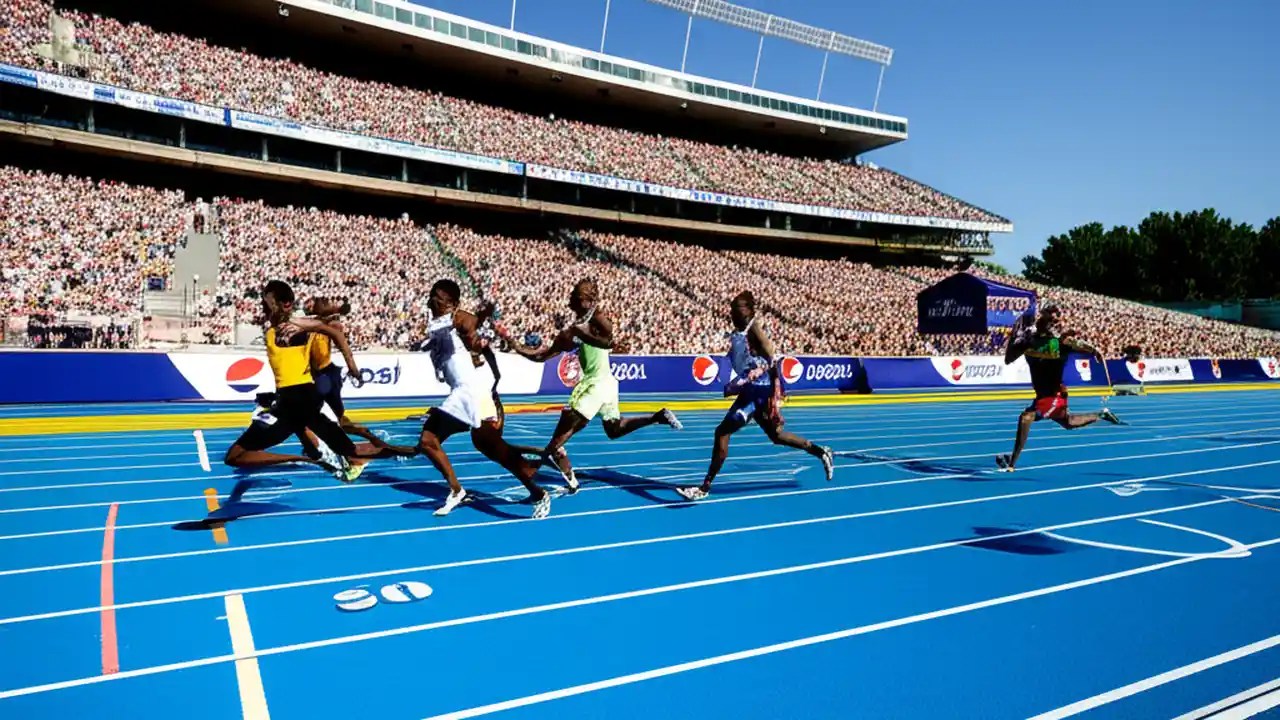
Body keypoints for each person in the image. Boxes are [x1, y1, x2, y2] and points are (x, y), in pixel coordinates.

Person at [499, 278, 682, 492]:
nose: (570, 301)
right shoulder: (572, 332)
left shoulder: (596, 321)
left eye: (575, 298)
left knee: (558, 439)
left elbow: (607, 334)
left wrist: (586, 327)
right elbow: (542, 356)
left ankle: (533, 470)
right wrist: (515, 346)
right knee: (614, 429)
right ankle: (657, 417)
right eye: (574, 297)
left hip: (593, 385)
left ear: (586, 301)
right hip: (608, 384)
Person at [222, 281, 399, 480]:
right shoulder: (297, 323)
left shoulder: (308, 324)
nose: (314, 303)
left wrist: (352, 365)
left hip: (323, 378)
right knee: (307, 423)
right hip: (310, 382)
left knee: (337, 423)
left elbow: (331, 328)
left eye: (319, 302)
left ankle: (360, 454)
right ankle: (319, 453)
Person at [676, 291, 833, 500]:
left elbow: (772, 356)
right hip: (752, 390)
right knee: (776, 436)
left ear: (748, 311)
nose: (732, 313)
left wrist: (769, 388)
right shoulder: (739, 331)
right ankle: (821, 451)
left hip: (757, 393)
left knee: (722, 432)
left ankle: (704, 487)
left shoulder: (755, 329)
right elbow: (740, 358)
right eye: (731, 309)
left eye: (736, 310)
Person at [414, 279, 509, 516]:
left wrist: (484, 314)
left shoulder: (457, 317)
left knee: (427, 441)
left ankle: (457, 491)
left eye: (441, 297)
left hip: (466, 392)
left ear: (453, 304)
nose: (434, 299)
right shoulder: (434, 320)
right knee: (490, 446)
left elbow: (472, 322)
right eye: (433, 294)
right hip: (462, 390)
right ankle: (537, 462)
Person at [996, 302, 1123, 472]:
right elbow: (1008, 359)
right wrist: (1013, 339)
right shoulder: (1029, 342)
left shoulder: (1060, 343)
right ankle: (1100, 414)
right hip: (1042, 396)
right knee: (1068, 422)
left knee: (1026, 418)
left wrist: (1094, 351)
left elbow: (1079, 344)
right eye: (1049, 321)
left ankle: (1012, 464)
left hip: (1054, 395)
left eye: (1055, 322)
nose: (1053, 325)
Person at [293, 296, 416, 464]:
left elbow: (345, 350)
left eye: (316, 304)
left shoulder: (331, 326)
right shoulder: (311, 323)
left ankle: (319, 451)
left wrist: (355, 371)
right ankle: (370, 441)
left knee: (304, 417)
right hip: (321, 377)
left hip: (324, 377)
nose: (312, 305)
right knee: (332, 420)